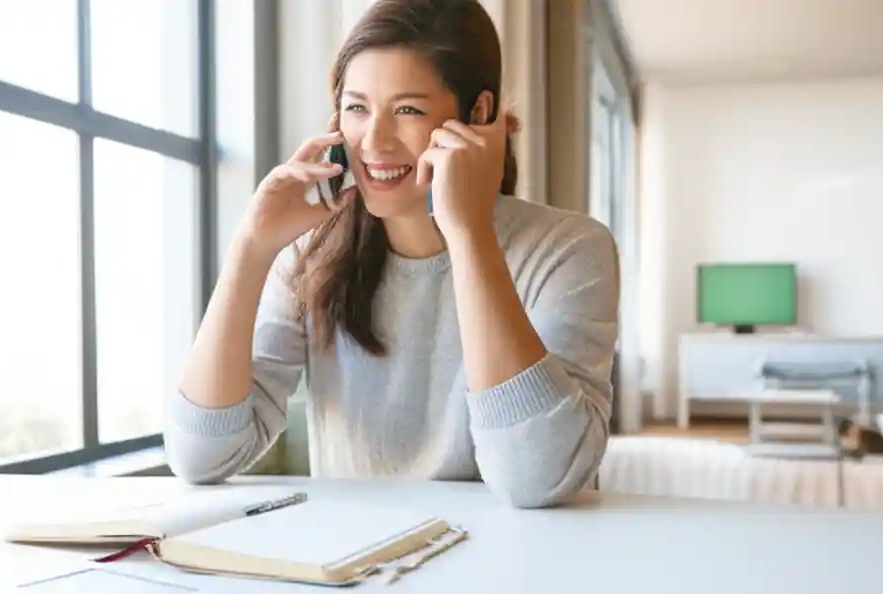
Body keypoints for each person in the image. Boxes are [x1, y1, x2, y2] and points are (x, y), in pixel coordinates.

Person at [164, 0, 619, 508]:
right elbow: (200, 455)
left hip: (517, 574)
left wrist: (468, 235)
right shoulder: (311, 253)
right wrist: (252, 247)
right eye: (357, 108)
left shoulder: (571, 250)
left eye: (408, 110)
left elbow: (537, 478)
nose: (373, 141)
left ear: (479, 114)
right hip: (356, 574)